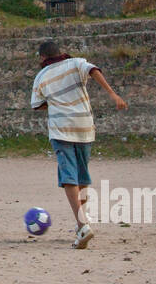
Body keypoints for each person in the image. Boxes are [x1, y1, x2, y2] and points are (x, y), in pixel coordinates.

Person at [30, 41, 127, 249]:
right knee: (82, 175)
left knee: (68, 177)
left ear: (42, 58)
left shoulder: (41, 77)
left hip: (61, 129)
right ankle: (82, 222)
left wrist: (56, 100)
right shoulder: (75, 63)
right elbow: (93, 70)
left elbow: (37, 105)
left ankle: (83, 225)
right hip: (84, 126)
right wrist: (112, 94)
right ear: (60, 53)